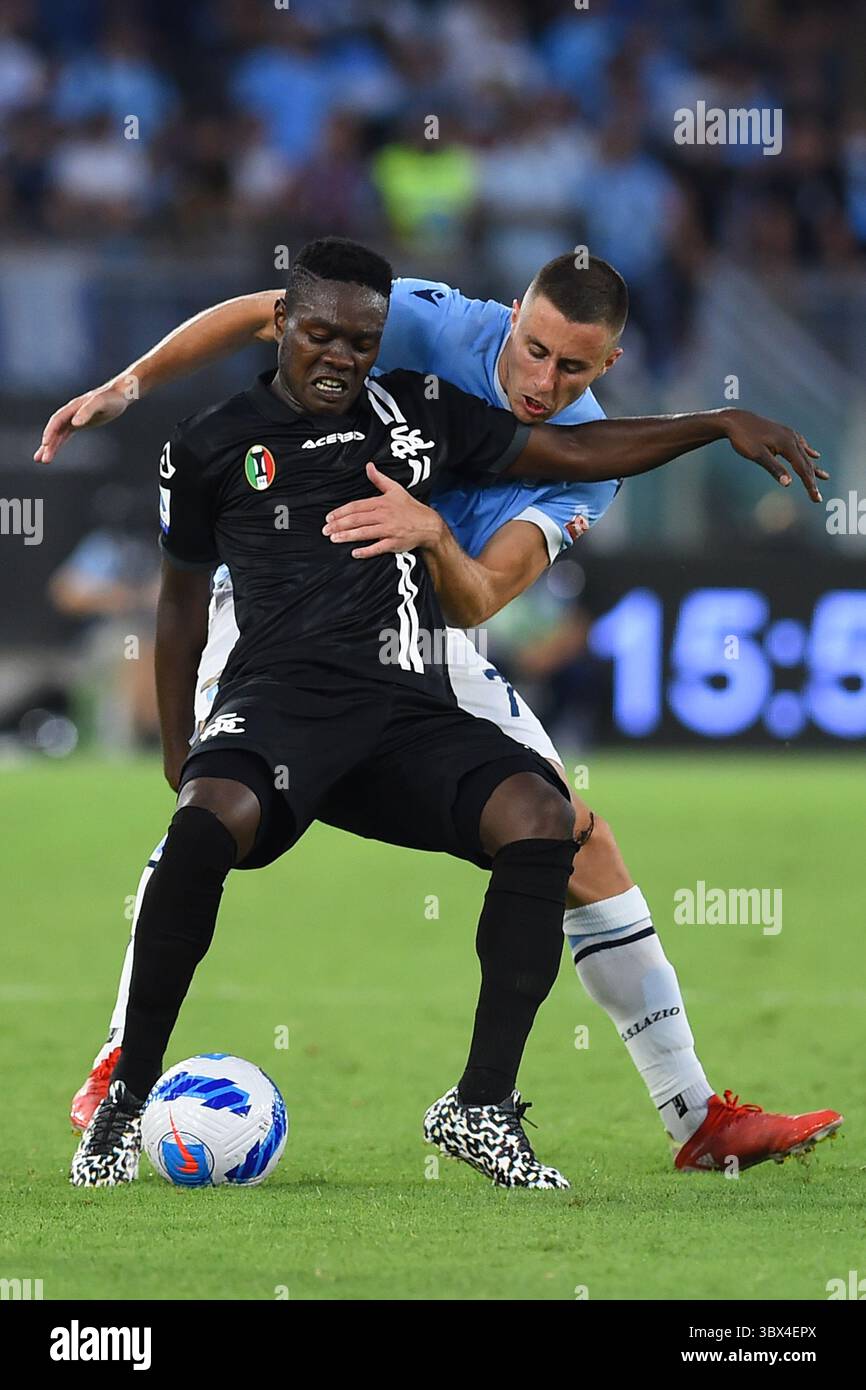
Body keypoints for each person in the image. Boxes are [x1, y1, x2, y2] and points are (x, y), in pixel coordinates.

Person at [49, 242, 840, 1177]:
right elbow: (258, 311)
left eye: (573, 367)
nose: (544, 379)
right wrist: (128, 385)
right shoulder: (426, 322)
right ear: (513, 315)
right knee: (210, 807)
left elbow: (475, 602)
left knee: (571, 835)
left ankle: (691, 1116)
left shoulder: (589, 462)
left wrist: (432, 533)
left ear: (608, 368)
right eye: (535, 349)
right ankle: (118, 1067)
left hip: (421, 625)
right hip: (275, 608)